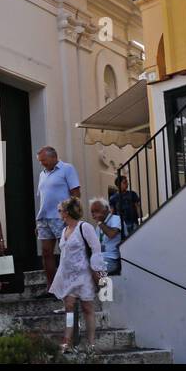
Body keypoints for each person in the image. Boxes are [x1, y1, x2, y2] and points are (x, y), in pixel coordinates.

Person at [50, 196, 102, 352]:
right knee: (69, 307)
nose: (58, 213)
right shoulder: (64, 230)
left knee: (87, 308)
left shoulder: (84, 227)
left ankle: (91, 343)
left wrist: (97, 270)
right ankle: (67, 341)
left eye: (60, 210)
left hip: (84, 274)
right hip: (68, 276)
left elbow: (96, 248)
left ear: (66, 212)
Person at [36, 146, 80, 295]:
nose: (42, 164)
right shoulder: (42, 174)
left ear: (54, 157)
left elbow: (76, 193)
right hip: (44, 219)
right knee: (46, 252)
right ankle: (51, 288)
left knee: (66, 251)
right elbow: (43, 198)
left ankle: (69, 285)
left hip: (61, 217)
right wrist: (38, 219)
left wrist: (71, 215)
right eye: (40, 161)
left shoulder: (67, 168)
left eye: (44, 160)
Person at [90, 198, 122, 275]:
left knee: (94, 272)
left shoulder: (115, 219)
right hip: (100, 258)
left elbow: (111, 234)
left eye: (96, 211)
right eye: (92, 212)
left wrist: (99, 222)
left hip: (112, 259)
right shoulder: (99, 225)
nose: (94, 214)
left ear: (106, 209)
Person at [110, 174, 141, 239]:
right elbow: (112, 212)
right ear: (118, 185)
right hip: (122, 224)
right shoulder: (113, 198)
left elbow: (137, 207)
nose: (127, 184)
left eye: (127, 182)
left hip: (133, 222)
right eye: (124, 182)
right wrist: (112, 225)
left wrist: (140, 219)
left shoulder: (132, 194)